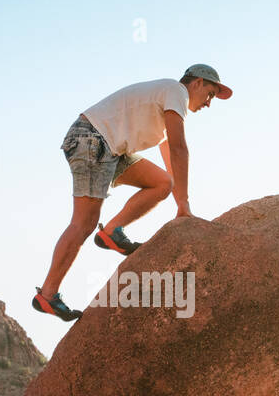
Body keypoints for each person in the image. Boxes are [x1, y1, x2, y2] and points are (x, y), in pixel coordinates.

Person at [32, 63, 233, 321]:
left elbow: (171, 154)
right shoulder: (176, 92)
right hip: (92, 139)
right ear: (196, 84)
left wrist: (181, 204)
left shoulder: (165, 103)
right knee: (83, 223)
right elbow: (179, 149)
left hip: (109, 147)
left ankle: (111, 233)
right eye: (210, 94)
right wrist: (183, 208)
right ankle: (47, 295)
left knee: (162, 182)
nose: (208, 103)